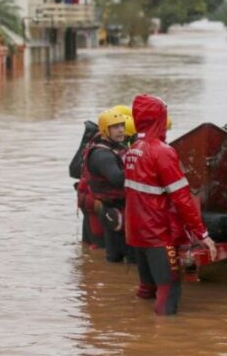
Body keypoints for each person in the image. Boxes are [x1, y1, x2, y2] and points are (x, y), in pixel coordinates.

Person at [124, 94, 216, 316]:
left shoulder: (132, 149)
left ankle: (136, 335)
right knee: (169, 289)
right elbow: (183, 199)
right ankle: (164, 341)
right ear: (159, 118)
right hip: (158, 234)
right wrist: (202, 234)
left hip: (136, 232)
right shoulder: (162, 152)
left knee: (147, 288)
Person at [83, 109, 131, 263]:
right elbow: (117, 179)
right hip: (113, 210)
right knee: (117, 257)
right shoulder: (101, 155)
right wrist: (140, 165)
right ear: (105, 130)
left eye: (122, 126)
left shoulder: (115, 146)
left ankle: (113, 282)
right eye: (115, 127)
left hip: (118, 208)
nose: (121, 130)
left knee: (118, 258)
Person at [70, 118, 103, 249]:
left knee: (89, 247)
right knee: (98, 247)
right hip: (95, 204)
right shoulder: (103, 151)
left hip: (87, 202)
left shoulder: (93, 145)